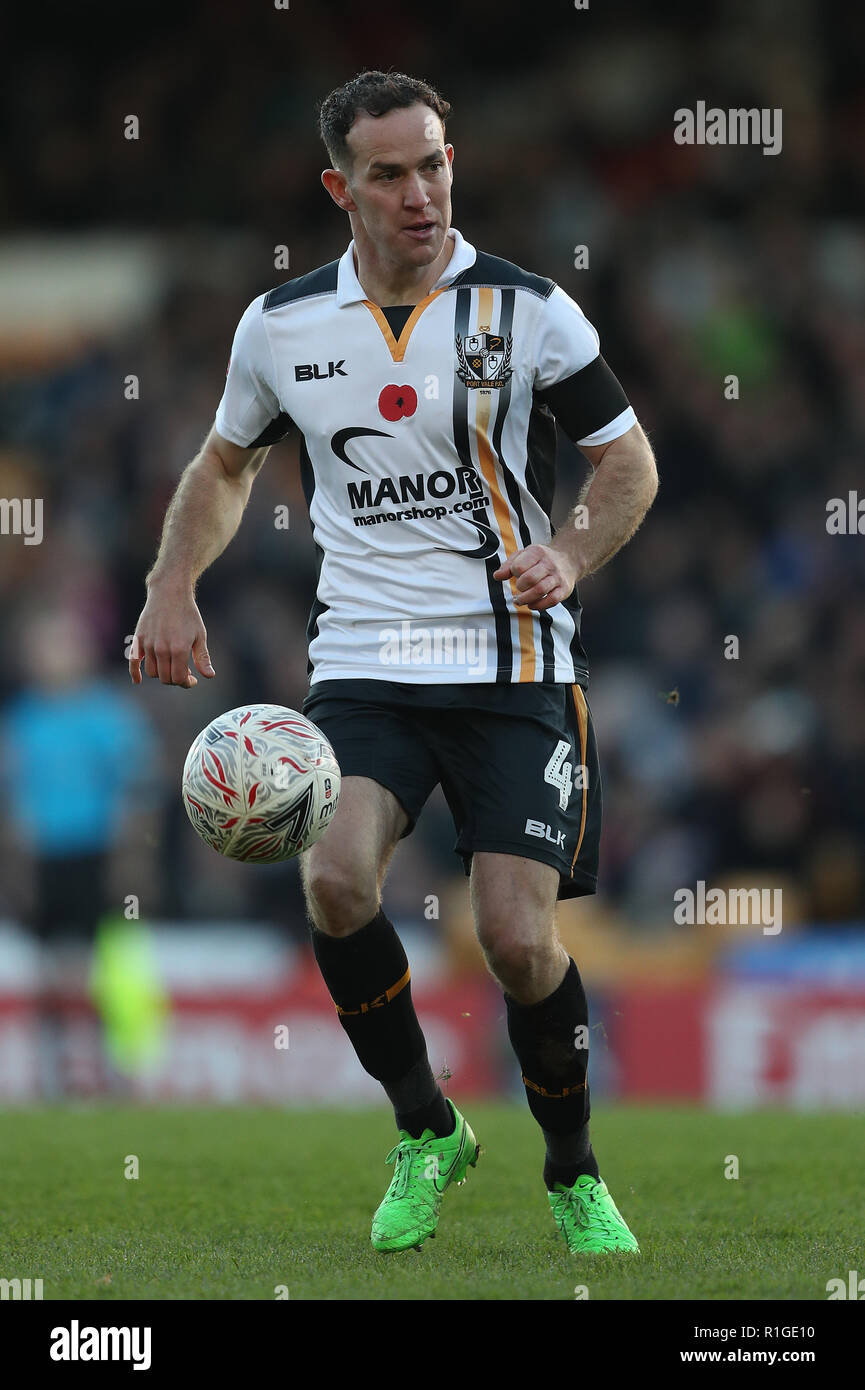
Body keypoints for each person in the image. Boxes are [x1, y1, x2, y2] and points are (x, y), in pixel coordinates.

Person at [129, 70, 658, 1256]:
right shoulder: (281, 327)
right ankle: (426, 1128)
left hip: (514, 667)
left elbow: (627, 466)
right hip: (366, 662)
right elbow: (223, 468)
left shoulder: (532, 314)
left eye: (433, 164)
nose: (419, 193)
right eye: (388, 173)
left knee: (519, 940)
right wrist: (171, 584)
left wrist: (568, 554)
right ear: (340, 187)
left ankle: (572, 1169)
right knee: (333, 880)